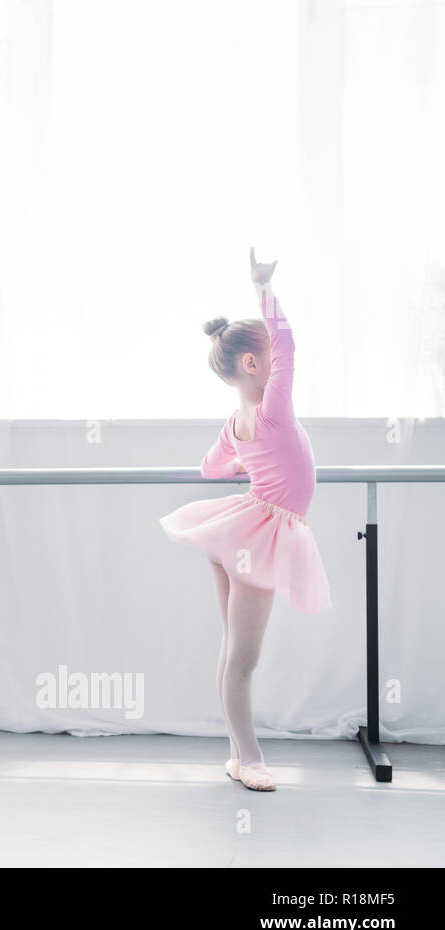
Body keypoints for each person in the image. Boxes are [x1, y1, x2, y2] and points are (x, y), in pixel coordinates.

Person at [159, 248, 332, 792]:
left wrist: (242, 456)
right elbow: (289, 345)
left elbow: (210, 467)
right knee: (244, 657)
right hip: (257, 537)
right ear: (254, 366)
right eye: (270, 360)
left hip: (243, 530)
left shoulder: (237, 421)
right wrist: (263, 288)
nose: (280, 366)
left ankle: (239, 754)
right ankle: (248, 757)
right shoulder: (274, 408)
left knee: (234, 651)